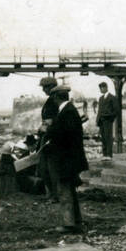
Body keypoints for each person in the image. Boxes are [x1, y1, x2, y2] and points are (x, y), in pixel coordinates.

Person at [43, 83, 88, 234]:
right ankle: (76, 221)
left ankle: (68, 224)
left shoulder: (67, 112)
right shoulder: (69, 110)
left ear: (56, 97)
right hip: (70, 158)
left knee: (64, 191)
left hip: (66, 159)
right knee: (69, 190)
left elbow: (63, 135)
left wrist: (48, 130)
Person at [36, 76, 61, 201]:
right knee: (46, 167)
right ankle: (52, 193)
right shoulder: (52, 100)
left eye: (45, 87)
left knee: (49, 167)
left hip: (50, 137)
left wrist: (44, 129)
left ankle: (54, 194)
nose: (43, 90)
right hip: (47, 135)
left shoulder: (53, 101)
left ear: (51, 87)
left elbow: (52, 120)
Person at [96, 81, 119, 157]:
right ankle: (104, 154)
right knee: (103, 138)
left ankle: (109, 155)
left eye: (102, 88)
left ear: (106, 87)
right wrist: (97, 120)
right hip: (101, 121)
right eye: (100, 88)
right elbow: (99, 110)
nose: (101, 89)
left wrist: (110, 118)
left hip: (108, 121)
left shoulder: (112, 98)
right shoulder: (100, 98)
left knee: (108, 138)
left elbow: (116, 110)